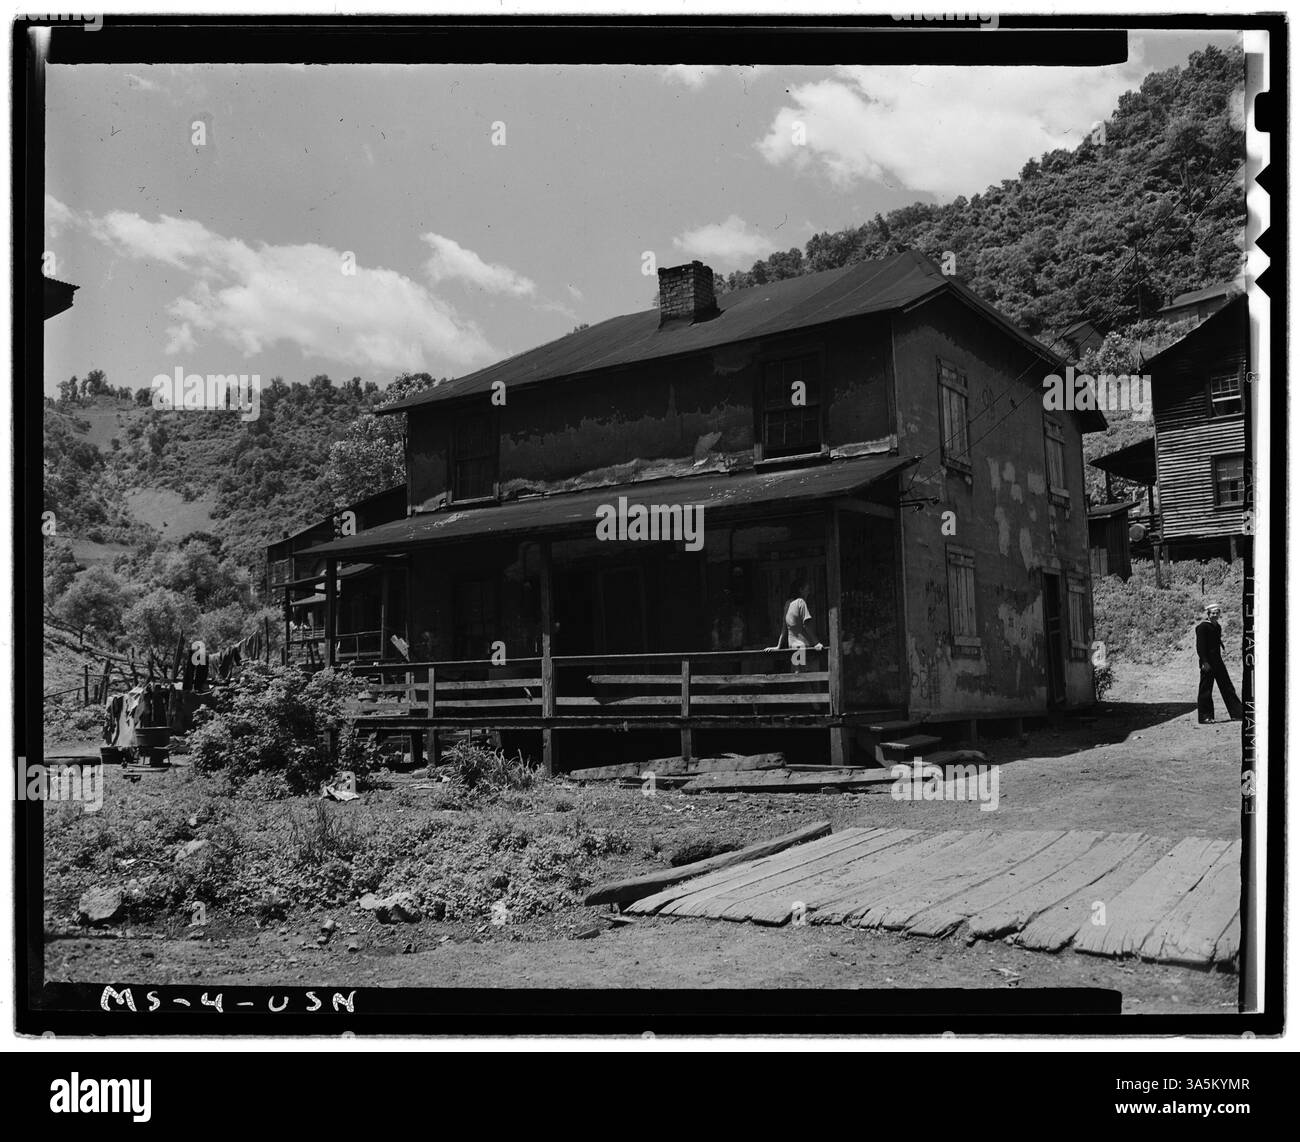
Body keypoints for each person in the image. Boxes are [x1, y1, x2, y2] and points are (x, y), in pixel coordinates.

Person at [1196, 602, 1242, 723]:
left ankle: (1237, 713)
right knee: (1206, 689)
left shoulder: (1217, 626)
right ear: (1208, 614)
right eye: (1213, 613)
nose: (1215, 615)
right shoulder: (1202, 627)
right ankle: (1205, 716)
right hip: (1207, 662)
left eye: (1217, 613)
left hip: (1217, 661)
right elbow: (1200, 647)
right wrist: (1204, 662)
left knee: (1227, 686)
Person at [778, 577, 824, 654]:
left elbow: (784, 628)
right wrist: (816, 643)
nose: (809, 592)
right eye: (807, 589)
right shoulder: (801, 602)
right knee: (808, 666)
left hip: (793, 648)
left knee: (796, 665)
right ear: (800, 590)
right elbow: (806, 625)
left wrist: (778, 645)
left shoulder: (787, 604)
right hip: (804, 647)